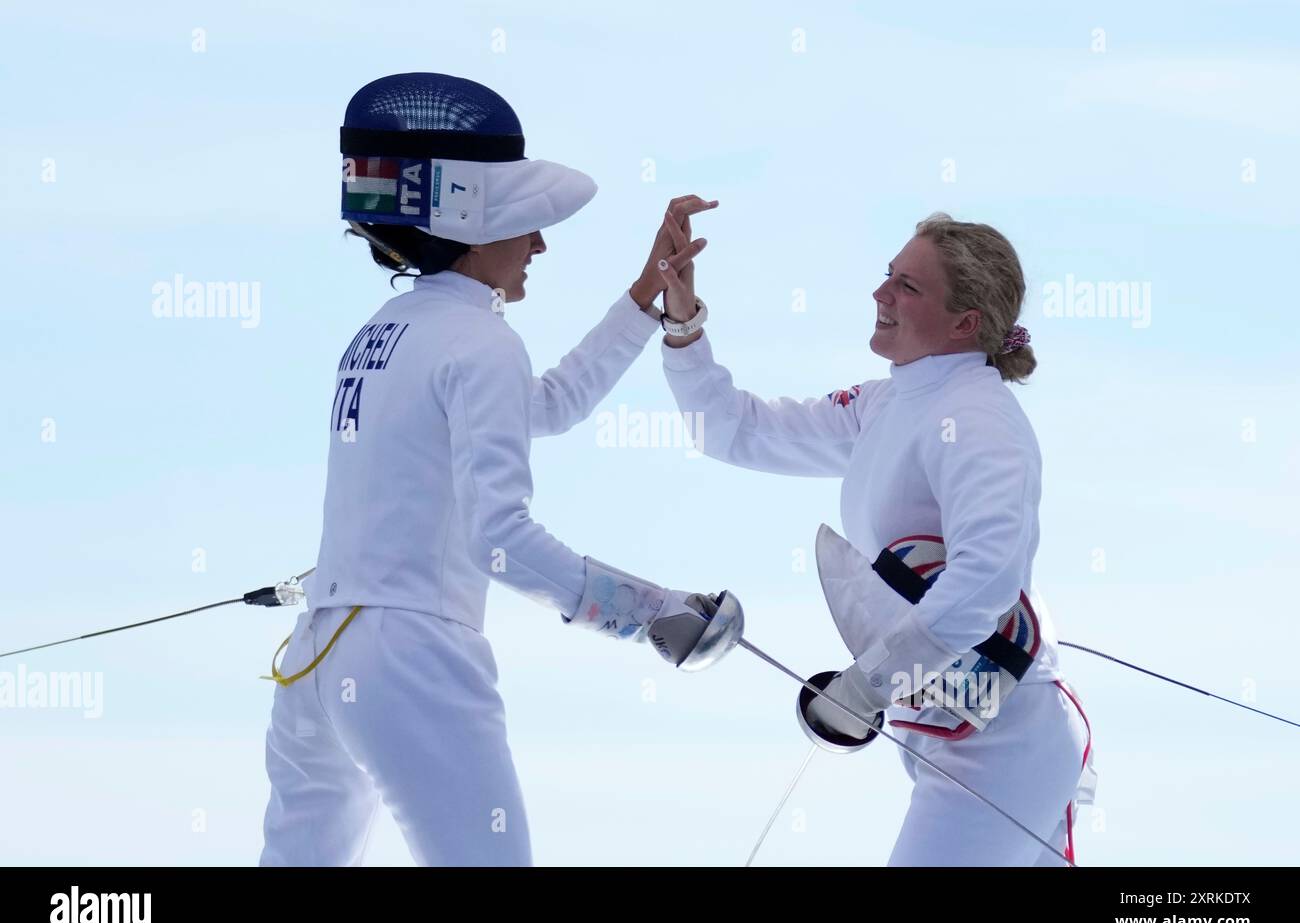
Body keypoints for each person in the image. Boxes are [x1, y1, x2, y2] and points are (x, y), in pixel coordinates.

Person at [259, 73, 733, 867]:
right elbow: (500, 542)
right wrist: (652, 612)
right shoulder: (477, 341)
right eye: (528, 224)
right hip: (412, 657)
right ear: (474, 225)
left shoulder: (386, 331)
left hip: (315, 660)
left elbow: (548, 405)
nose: (541, 244)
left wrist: (648, 294)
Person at [656, 211, 1098, 865]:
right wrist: (685, 321)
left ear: (964, 322)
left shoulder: (979, 421)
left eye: (908, 287)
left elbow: (987, 579)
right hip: (946, 725)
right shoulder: (886, 404)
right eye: (888, 276)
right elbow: (729, 429)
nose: (880, 294)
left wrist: (871, 683)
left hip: (1005, 736)